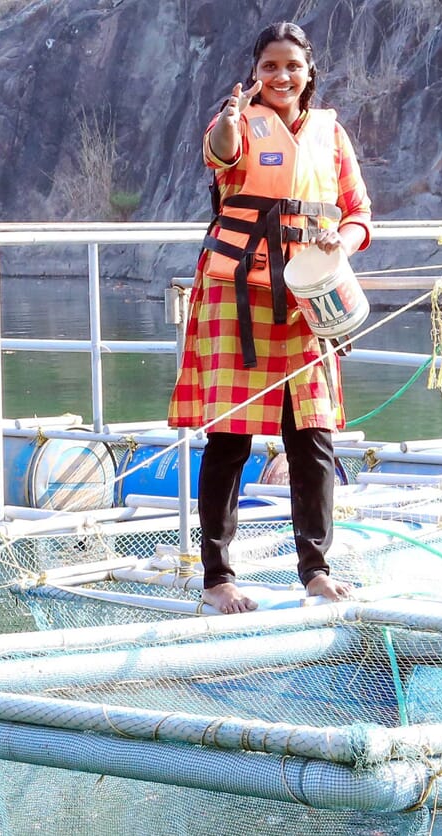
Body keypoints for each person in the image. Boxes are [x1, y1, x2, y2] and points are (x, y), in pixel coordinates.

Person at [168, 21, 372, 614]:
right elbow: (221, 153)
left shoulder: (332, 133)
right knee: (229, 437)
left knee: (312, 436)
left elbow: (359, 212)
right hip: (238, 294)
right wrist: (230, 119)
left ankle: (316, 570)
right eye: (270, 67)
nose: (282, 77)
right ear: (255, 74)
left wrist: (341, 242)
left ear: (309, 72)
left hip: (308, 298)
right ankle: (217, 578)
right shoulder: (234, 120)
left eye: (292, 66)